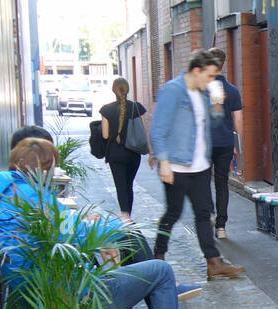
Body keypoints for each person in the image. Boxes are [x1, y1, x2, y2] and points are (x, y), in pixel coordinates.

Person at [0, 137, 202, 309]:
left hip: (42, 295)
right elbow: (71, 234)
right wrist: (116, 223)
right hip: (66, 301)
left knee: (114, 264)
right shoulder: (34, 198)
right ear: (42, 170)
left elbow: (63, 233)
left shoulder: (8, 193)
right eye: (51, 169)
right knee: (160, 270)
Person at [149, 49, 245, 280]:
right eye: (210, 75)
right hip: (178, 166)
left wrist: (216, 106)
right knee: (173, 213)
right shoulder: (173, 91)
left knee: (203, 213)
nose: (212, 81)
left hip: (200, 165)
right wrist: (163, 162)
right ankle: (158, 255)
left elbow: (211, 123)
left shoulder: (203, 94)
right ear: (196, 70)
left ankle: (213, 262)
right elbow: (158, 129)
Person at [206, 47, 243, 239]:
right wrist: (238, 144)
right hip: (226, 142)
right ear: (224, 64)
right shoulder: (233, 91)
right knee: (222, 184)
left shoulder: (202, 89)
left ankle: (210, 212)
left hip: (204, 143)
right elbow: (238, 120)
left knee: (203, 181)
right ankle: (221, 227)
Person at [98, 77, 148, 221]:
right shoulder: (137, 107)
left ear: (113, 90)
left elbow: (105, 135)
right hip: (133, 154)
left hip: (115, 153)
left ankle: (125, 217)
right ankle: (128, 214)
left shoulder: (106, 109)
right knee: (129, 185)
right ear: (127, 90)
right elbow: (144, 132)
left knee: (120, 187)